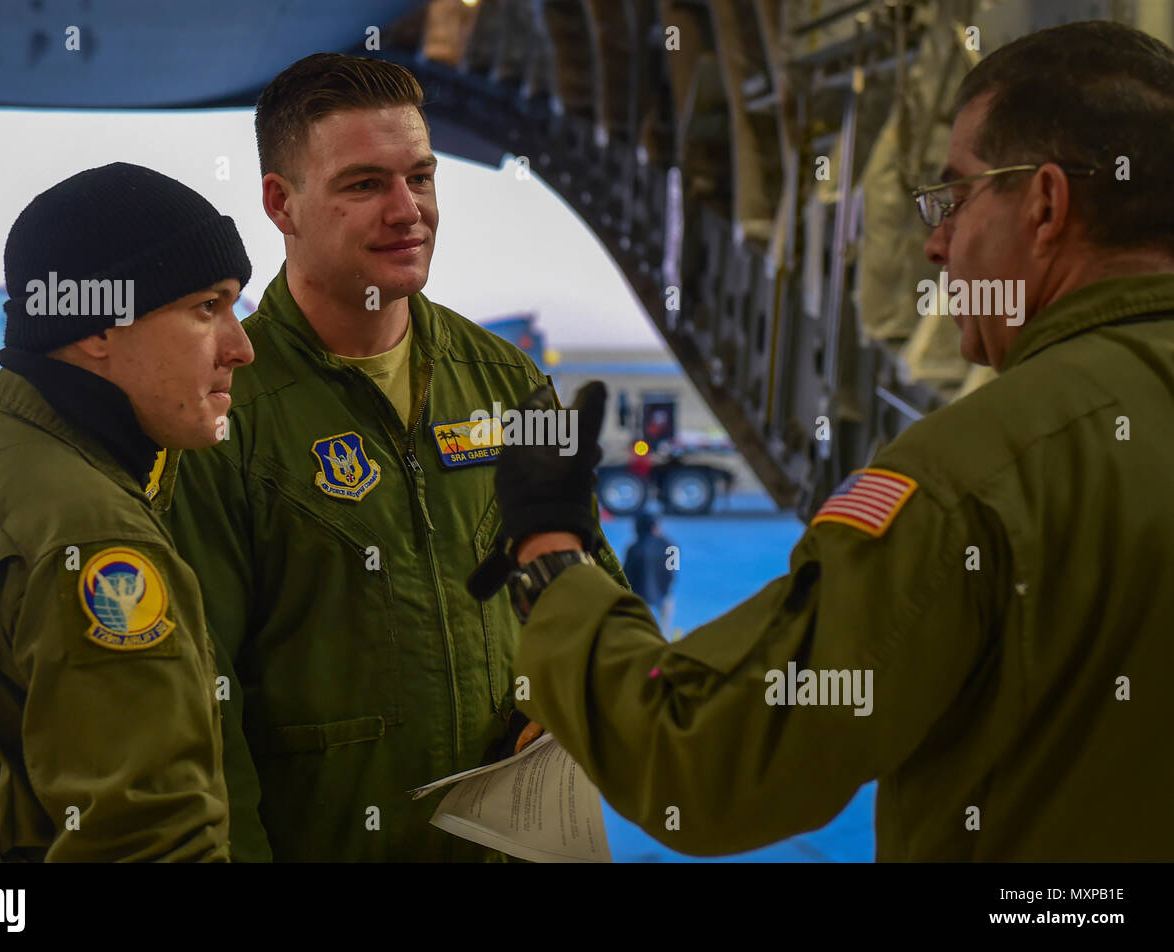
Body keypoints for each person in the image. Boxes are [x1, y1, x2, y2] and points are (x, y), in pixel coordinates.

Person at [477, 20, 1174, 861]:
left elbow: (703, 762)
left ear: (1046, 203)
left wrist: (550, 549)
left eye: (954, 197)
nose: (935, 241)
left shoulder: (976, 475)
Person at [164, 53, 625, 862]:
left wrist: (571, 698)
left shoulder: (505, 379)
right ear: (282, 203)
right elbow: (201, 708)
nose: (408, 211)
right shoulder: (226, 407)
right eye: (364, 184)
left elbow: (587, 582)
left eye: (422, 177)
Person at [0, 162, 255, 861]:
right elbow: (150, 842)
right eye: (208, 307)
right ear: (96, 330)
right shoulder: (90, 531)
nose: (241, 347)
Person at [623, 513, 677, 637]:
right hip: (664, 594)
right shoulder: (670, 546)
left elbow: (627, 576)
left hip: (639, 598)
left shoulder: (634, 549)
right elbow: (673, 572)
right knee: (665, 629)